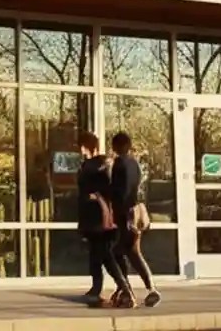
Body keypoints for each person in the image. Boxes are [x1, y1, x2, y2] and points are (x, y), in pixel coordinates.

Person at [76, 131, 134, 308]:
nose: (79, 150)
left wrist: (96, 195)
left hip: (101, 216)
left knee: (105, 255)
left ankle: (125, 288)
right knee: (96, 254)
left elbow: (109, 188)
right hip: (92, 215)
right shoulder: (91, 164)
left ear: (87, 147)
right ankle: (97, 287)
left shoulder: (100, 165)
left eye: (81, 146)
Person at [110, 132, 161, 308]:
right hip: (138, 211)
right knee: (133, 252)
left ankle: (126, 292)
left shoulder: (119, 163)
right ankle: (151, 289)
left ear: (115, 147)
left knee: (116, 253)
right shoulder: (134, 163)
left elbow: (119, 191)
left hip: (125, 214)